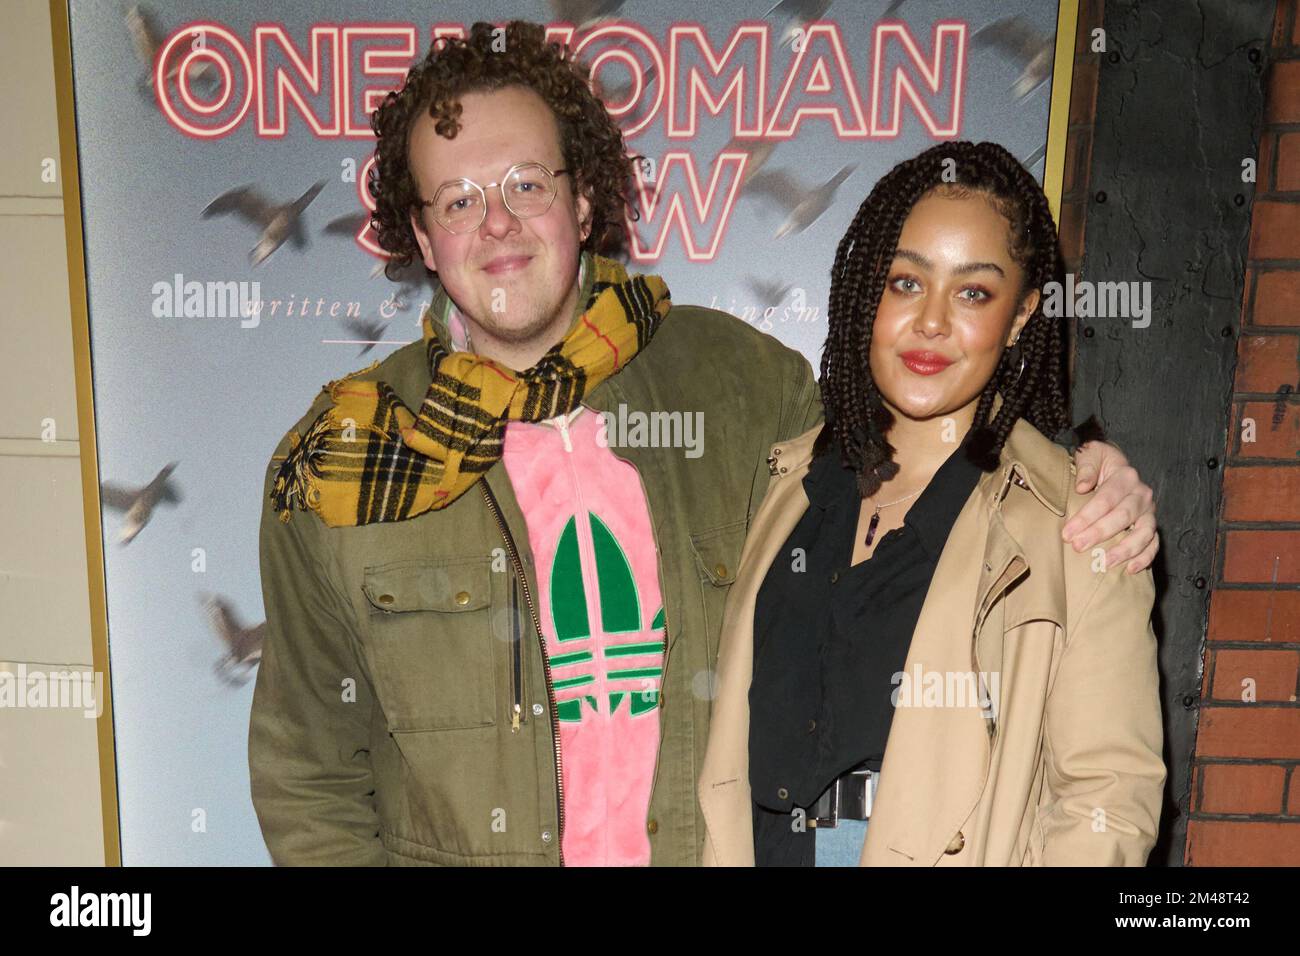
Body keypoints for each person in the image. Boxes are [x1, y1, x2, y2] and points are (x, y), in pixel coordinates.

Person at [249, 23, 1159, 866]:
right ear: (419, 233)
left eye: (527, 184)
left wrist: (1084, 467)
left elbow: (921, 448)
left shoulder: (743, 390)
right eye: (458, 200)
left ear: (586, 196)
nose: (497, 224)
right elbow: (310, 775)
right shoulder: (341, 459)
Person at [698, 141, 1166, 867]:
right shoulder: (790, 483)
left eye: (974, 292)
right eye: (905, 283)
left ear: (1020, 316)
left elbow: (1107, 798)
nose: (933, 323)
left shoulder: (1081, 526)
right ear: (866, 290)